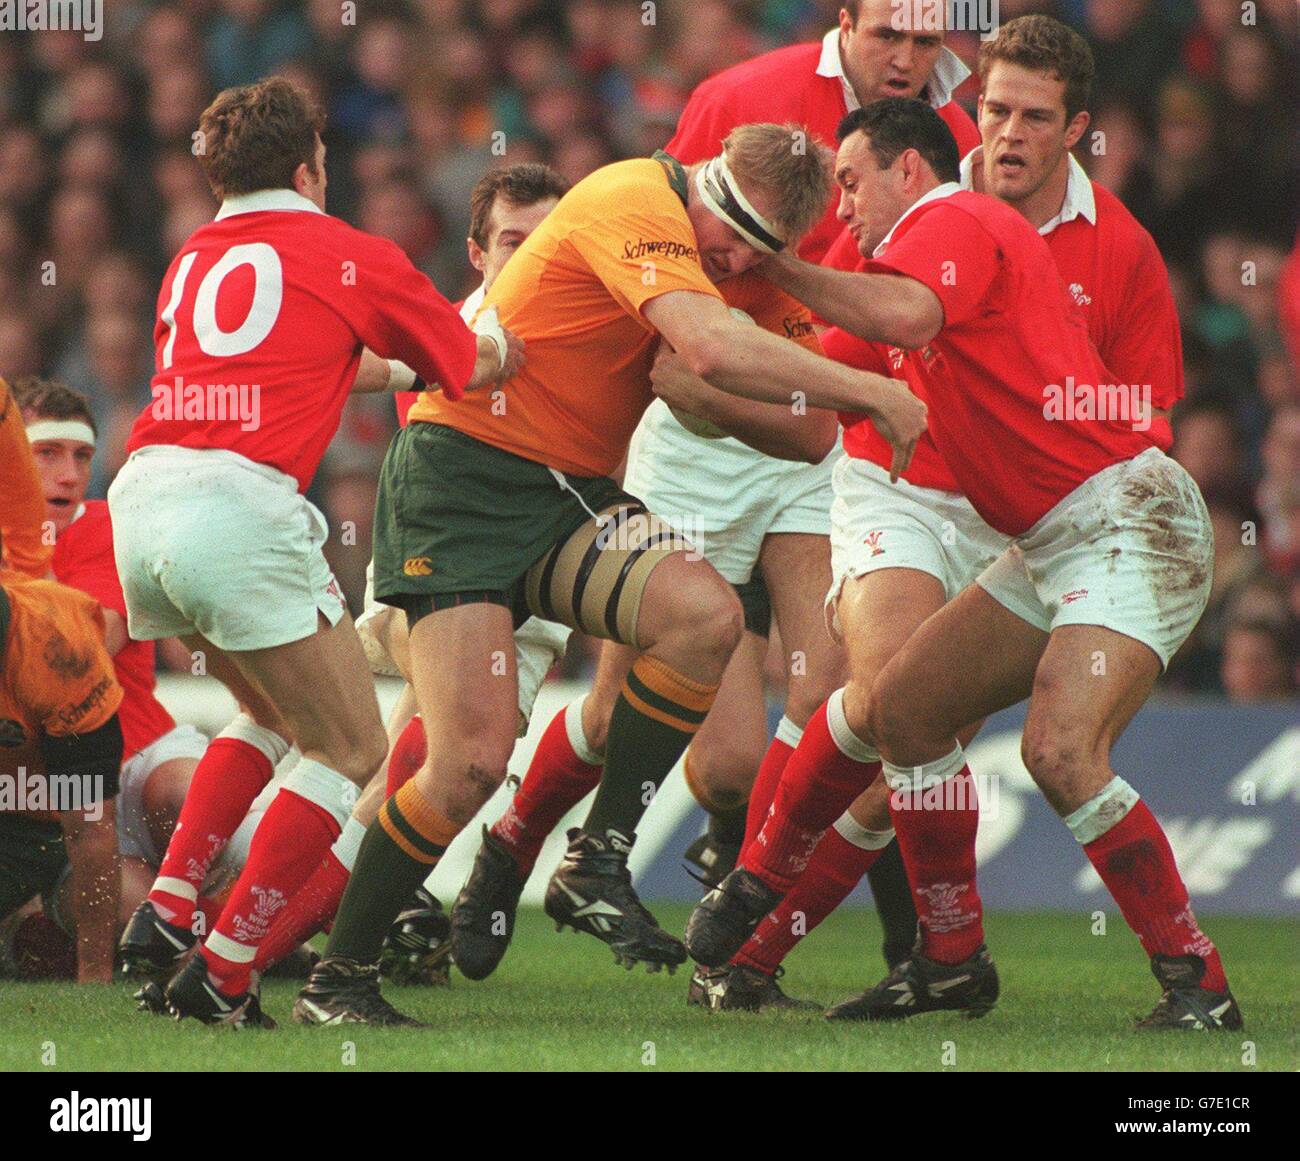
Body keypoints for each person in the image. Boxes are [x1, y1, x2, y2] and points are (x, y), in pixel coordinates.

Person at [294, 122, 927, 1026]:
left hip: (568, 493)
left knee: (703, 617)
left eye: (760, 249)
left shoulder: (733, 260)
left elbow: (806, 431)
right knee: (467, 762)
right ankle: (337, 979)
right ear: (707, 181)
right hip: (461, 474)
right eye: (734, 230)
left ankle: (599, 850)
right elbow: (714, 347)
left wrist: (715, 400)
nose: (736, 257)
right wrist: (872, 389)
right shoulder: (632, 195)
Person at [452, 0, 984, 1004]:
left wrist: (848, 399)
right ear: (845, 22)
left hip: (818, 426)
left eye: (926, 41)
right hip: (697, 431)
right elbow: (666, 292)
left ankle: (744, 930)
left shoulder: (942, 137)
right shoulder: (739, 98)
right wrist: (735, 388)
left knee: (831, 699)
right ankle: (521, 849)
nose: (911, 60)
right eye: (890, 38)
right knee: (648, 728)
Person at [687, 97, 1241, 1033]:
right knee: (898, 706)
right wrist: (694, 340)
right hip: (1050, 536)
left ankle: (1199, 981)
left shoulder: (953, 216)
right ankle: (933, 953)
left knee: (1058, 752)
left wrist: (773, 257)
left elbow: (903, 311)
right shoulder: (905, 256)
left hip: (1125, 520)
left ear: (910, 169)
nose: (842, 203)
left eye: (853, 179)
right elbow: (811, 370)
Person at [110, 76, 522, 1028]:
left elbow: (339, 363)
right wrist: (508, 343)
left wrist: (414, 362)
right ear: (309, 167)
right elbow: (465, 364)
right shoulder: (342, 249)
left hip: (146, 497)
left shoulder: (194, 254)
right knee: (352, 745)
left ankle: (171, 902)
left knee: (269, 710)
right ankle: (224, 965)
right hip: (239, 510)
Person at [249, 163, 574, 988]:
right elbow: (339, 357)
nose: (533, 256)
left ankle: (258, 924)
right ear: (477, 252)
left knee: (407, 757)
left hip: (526, 600)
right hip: (446, 574)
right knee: (428, 757)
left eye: (549, 240)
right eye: (514, 241)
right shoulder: (454, 335)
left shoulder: (598, 328)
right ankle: (251, 944)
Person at [0, 377, 126, 984]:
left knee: (131, 890)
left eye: (81, 456)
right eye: (45, 453)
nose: (69, 475)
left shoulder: (59, 641)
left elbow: (106, 644)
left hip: (109, 777)